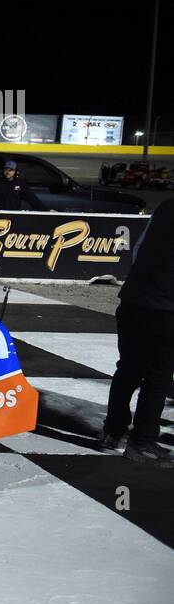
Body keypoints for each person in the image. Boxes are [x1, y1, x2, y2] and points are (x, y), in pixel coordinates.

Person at [100, 198, 174, 465]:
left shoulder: (165, 207)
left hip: (133, 301)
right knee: (157, 378)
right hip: (164, 308)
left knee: (128, 370)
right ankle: (142, 443)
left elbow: (139, 249)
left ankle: (113, 432)